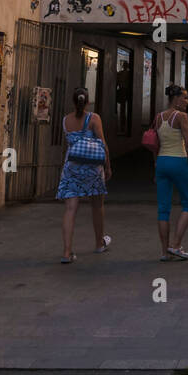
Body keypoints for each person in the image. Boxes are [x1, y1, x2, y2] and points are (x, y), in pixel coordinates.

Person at [56, 87, 111, 263]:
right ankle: (99, 243)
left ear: (74, 101)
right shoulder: (93, 118)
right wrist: (108, 166)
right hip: (93, 168)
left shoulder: (66, 120)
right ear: (88, 101)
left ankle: (66, 252)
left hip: (71, 167)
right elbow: (103, 144)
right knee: (97, 205)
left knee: (71, 209)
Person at [148, 85, 188, 260]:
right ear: (175, 99)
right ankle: (176, 245)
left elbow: (155, 144)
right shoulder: (181, 117)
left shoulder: (158, 117)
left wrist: (156, 165)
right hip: (178, 161)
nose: (187, 101)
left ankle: (164, 252)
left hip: (162, 162)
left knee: (163, 209)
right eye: (184, 97)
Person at [115, 61, 132, 134]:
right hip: (128, 91)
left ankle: (123, 126)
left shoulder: (119, 73)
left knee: (122, 109)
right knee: (128, 109)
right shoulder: (130, 74)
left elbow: (117, 83)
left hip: (122, 91)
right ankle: (126, 125)